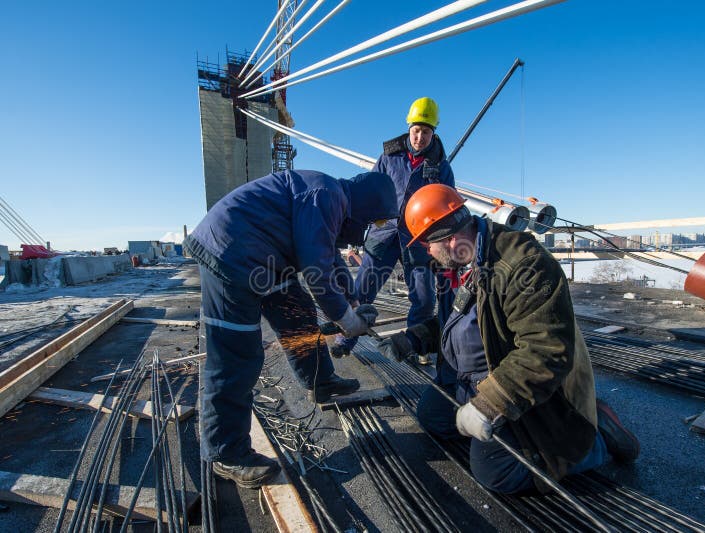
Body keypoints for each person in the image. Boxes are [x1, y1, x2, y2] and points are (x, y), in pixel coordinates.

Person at [378, 184, 640, 494]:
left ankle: (594, 441)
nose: (426, 251)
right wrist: (413, 339)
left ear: (447, 237)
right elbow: (457, 323)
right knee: (432, 417)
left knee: (495, 473)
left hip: (523, 386)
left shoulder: (524, 266)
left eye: (426, 244)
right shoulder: (460, 264)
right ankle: (492, 427)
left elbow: (545, 351)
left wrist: (489, 405)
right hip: (468, 379)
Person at [184, 170, 398, 489]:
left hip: (264, 257)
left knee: (299, 315)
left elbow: (330, 258)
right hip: (230, 254)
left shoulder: (332, 197)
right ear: (368, 206)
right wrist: (347, 320)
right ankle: (226, 453)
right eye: (375, 221)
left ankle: (321, 380)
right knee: (236, 356)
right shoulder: (328, 196)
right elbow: (316, 270)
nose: (370, 229)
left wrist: (352, 300)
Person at [333, 97, 455, 356]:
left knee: (424, 298)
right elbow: (370, 189)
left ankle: (414, 347)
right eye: (416, 131)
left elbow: (447, 205)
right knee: (362, 291)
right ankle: (344, 341)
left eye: (425, 132)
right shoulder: (389, 157)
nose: (419, 137)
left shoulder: (441, 167)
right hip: (384, 234)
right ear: (409, 128)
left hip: (418, 240)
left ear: (433, 132)